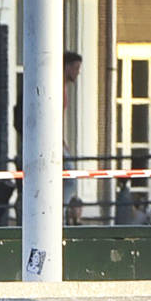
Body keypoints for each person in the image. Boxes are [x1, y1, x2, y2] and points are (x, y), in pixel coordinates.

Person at [63, 50, 84, 224]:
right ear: (67, 67)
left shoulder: (61, 88)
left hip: (57, 143)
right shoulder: (57, 88)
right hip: (54, 144)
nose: (78, 72)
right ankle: (60, 213)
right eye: (76, 68)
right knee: (70, 178)